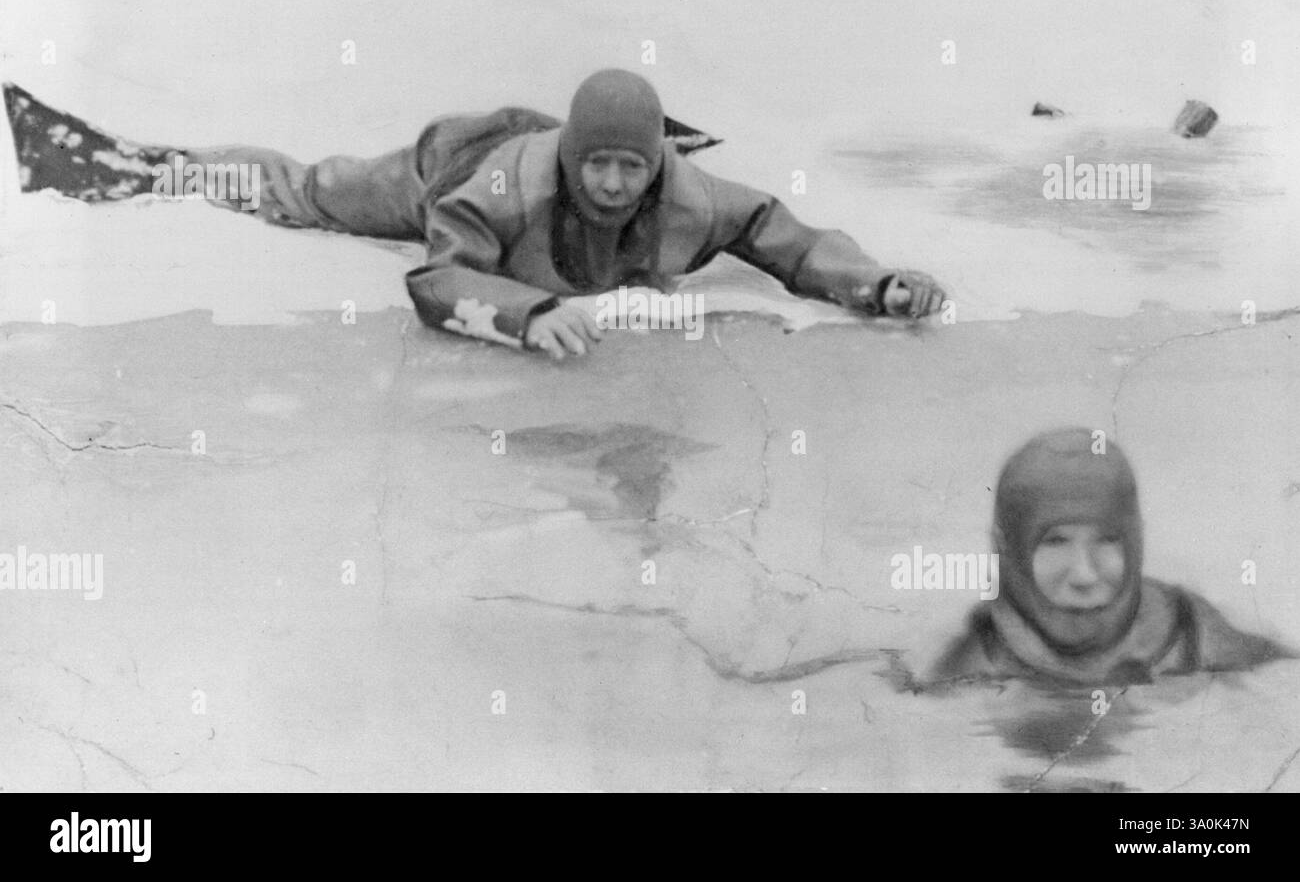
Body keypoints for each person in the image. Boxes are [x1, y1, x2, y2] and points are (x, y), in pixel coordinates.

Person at [4, 70, 946, 359]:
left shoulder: (690, 199)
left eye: (633, 165)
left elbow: (784, 235)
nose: (616, 184)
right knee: (317, 195)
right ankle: (152, 166)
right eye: (600, 166)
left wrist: (873, 282)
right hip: (452, 160)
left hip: (540, 143)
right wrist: (526, 314)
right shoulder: (503, 192)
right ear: (576, 161)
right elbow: (436, 277)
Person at [929, 428, 1289, 686]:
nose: (1084, 574)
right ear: (1007, 549)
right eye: (1055, 542)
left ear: (1136, 541)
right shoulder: (977, 667)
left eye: (1106, 541)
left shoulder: (1193, 639)